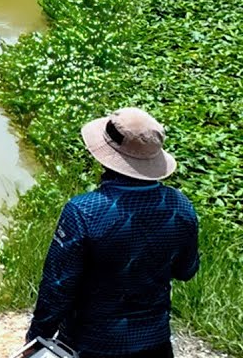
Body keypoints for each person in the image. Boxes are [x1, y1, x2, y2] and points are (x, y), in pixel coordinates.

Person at [26, 108, 199, 358]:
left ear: (104, 156)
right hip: (155, 343)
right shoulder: (181, 206)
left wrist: (36, 339)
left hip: (91, 343)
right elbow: (186, 270)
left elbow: (59, 286)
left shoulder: (84, 211)